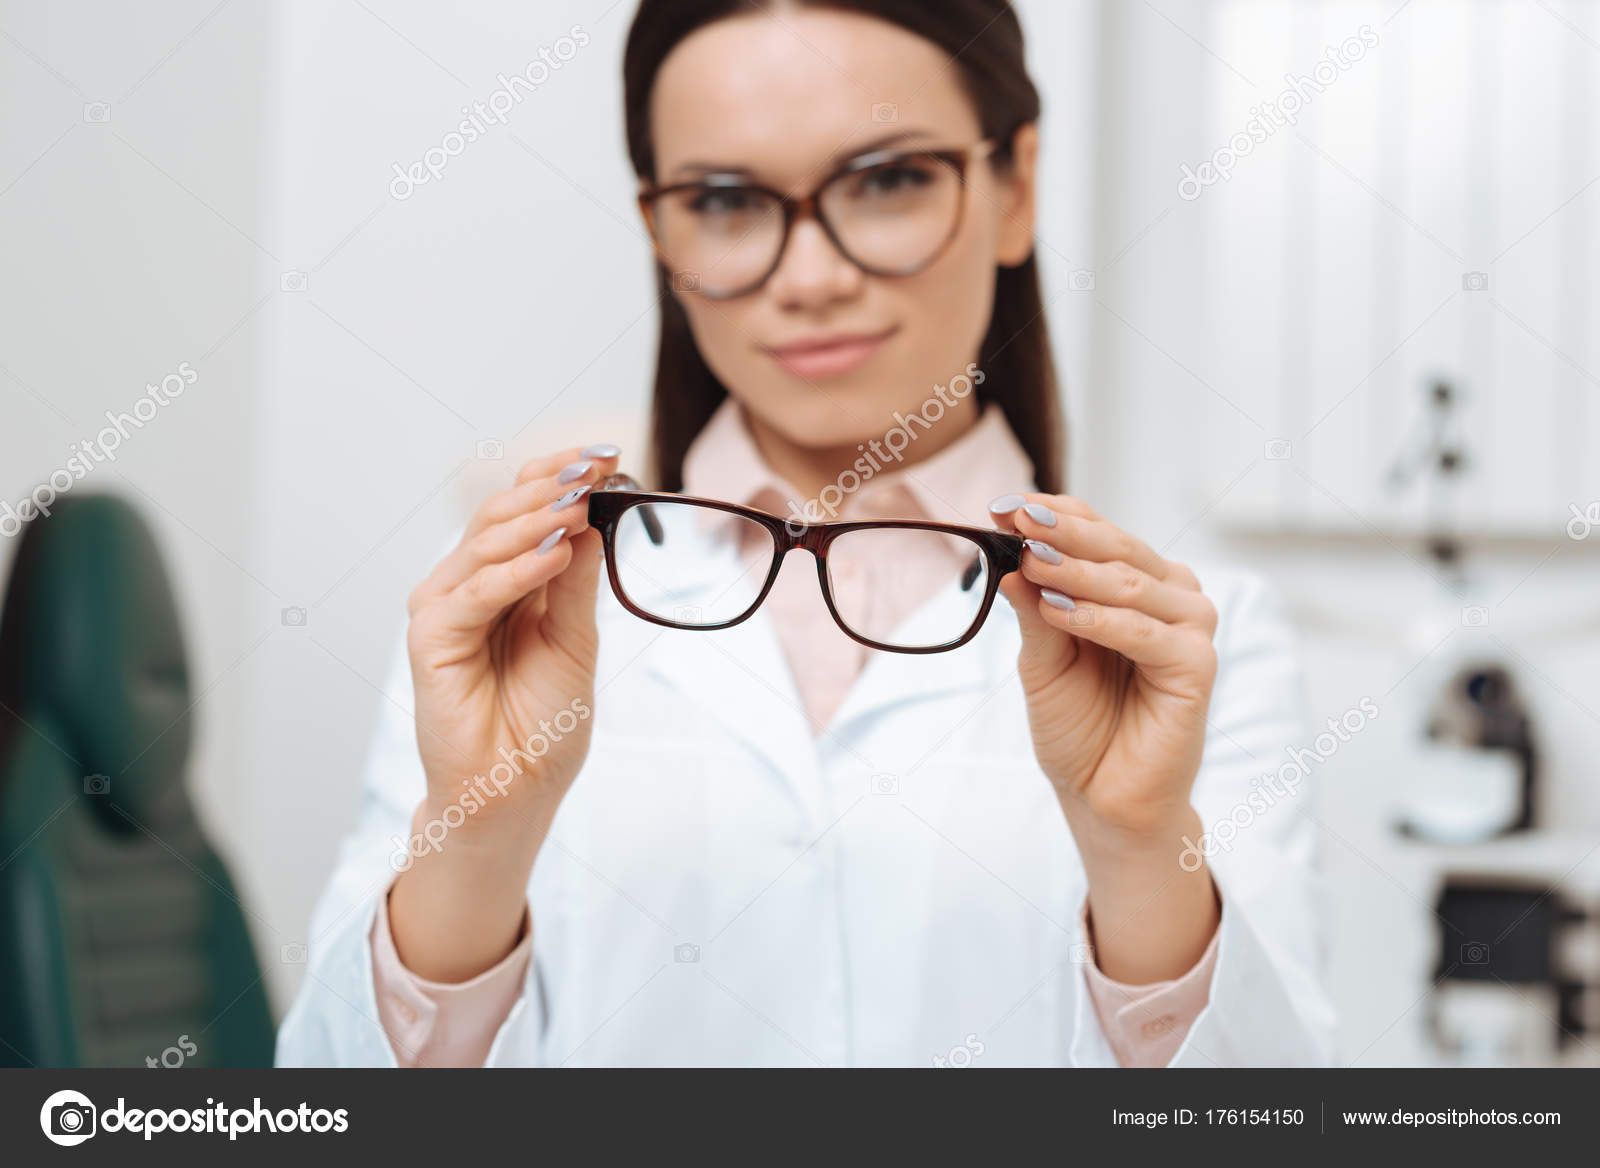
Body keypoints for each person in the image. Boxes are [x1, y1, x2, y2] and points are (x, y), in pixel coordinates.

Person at [278, 0, 1334, 1068]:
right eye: (726, 200)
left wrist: (1142, 854)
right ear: (660, 232)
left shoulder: (1202, 644)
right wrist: (478, 834)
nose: (812, 277)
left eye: (886, 181)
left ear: (1015, 185)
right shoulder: (496, 625)